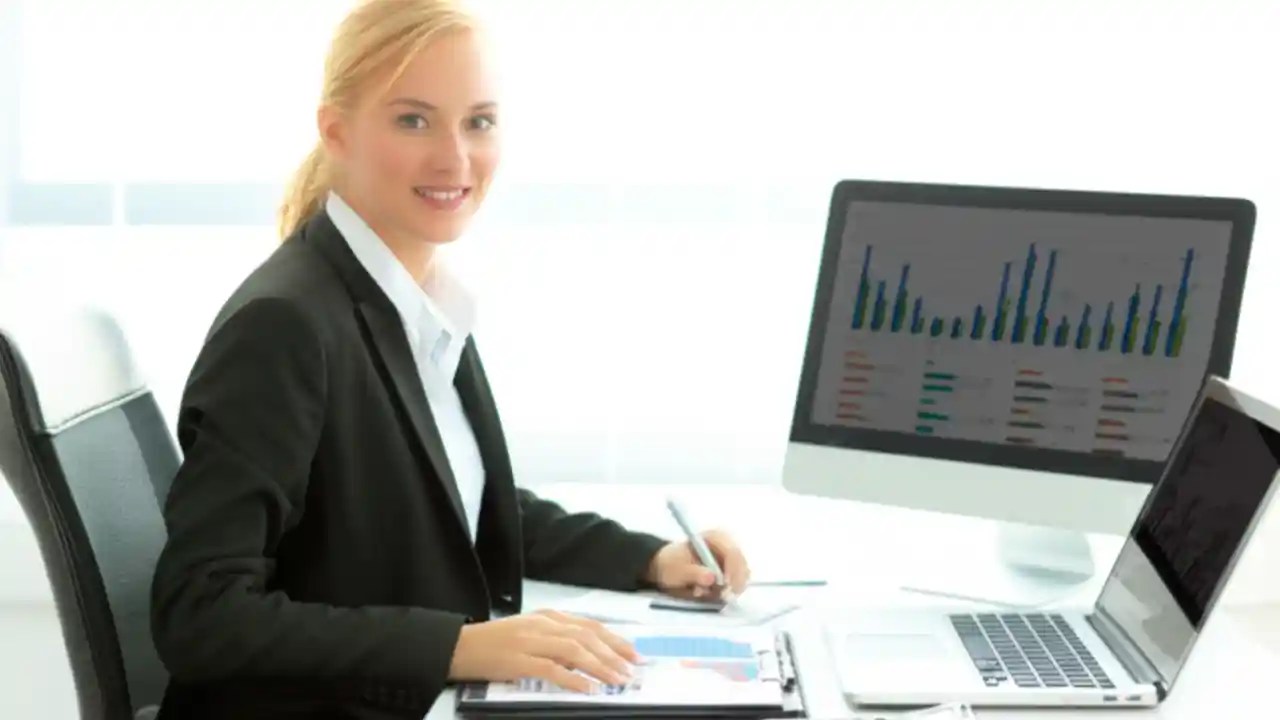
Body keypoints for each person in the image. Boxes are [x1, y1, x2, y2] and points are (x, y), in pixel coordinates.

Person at [148, 1, 751, 718]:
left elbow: (460, 508)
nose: (454, 159)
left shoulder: (417, 299)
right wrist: (459, 647)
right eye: (414, 120)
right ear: (336, 131)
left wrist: (649, 559)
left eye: (479, 122)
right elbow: (203, 616)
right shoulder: (285, 326)